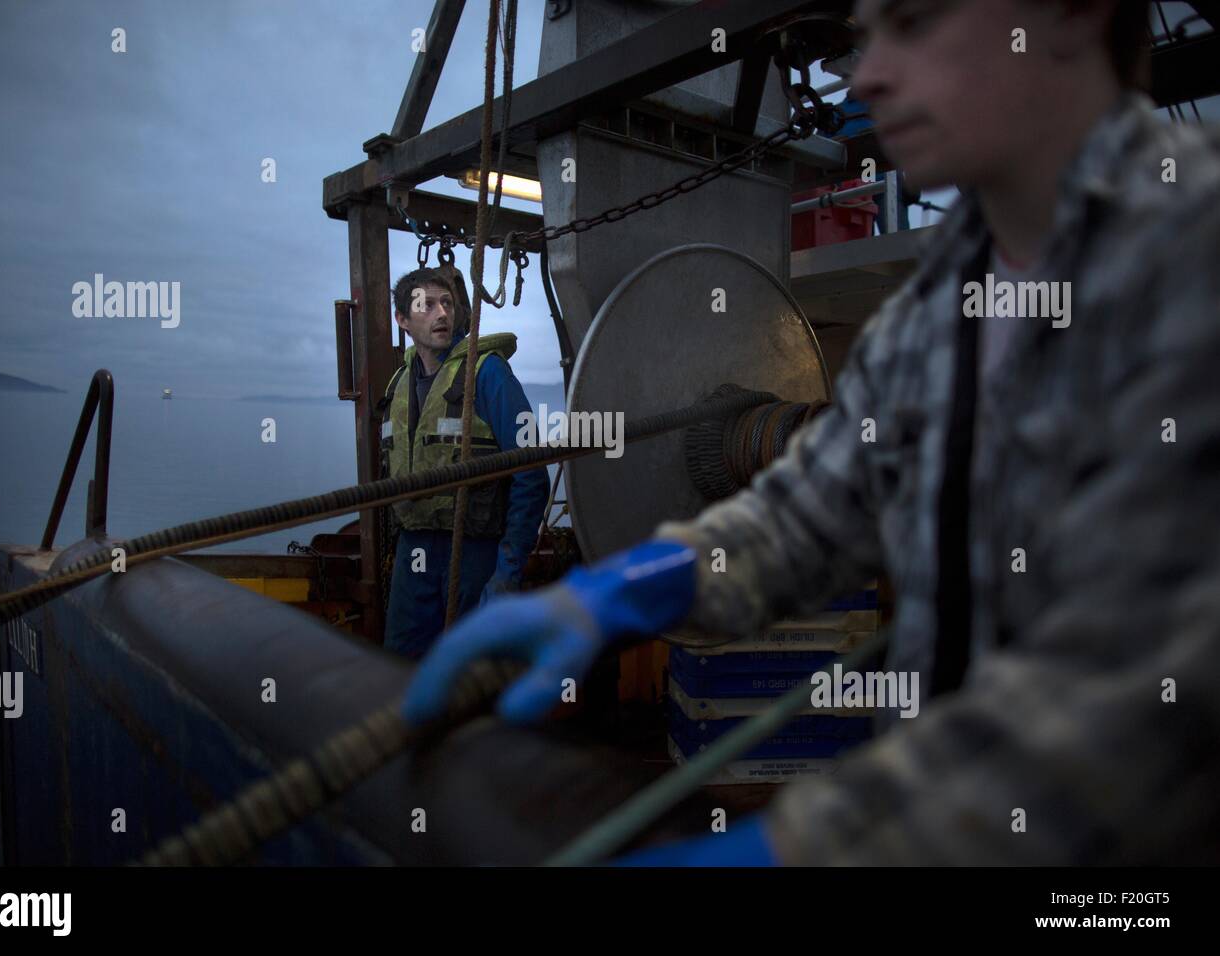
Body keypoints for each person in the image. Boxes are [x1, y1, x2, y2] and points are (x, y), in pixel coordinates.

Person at [401, 0, 1220, 864]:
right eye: (866, 34)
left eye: (913, 20)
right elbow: (811, 509)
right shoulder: (950, 296)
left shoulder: (1192, 247)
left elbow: (1130, 707)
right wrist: (629, 590)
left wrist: (795, 848)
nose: (864, 73)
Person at [380, 267, 550, 659]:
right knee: (400, 667)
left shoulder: (488, 374)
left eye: (448, 304)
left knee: (470, 674)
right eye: (426, 305)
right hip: (414, 552)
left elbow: (531, 473)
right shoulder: (398, 385)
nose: (441, 313)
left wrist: (507, 571)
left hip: (474, 552)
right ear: (402, 320)